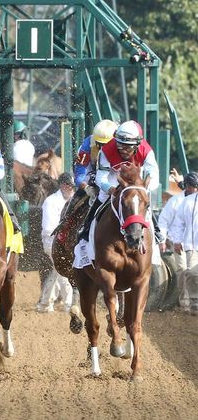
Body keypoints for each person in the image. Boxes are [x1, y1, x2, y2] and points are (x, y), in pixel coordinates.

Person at [78, 120, 160, 243]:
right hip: (113, 174)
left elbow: (154, 175)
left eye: (128, 147)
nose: (123, 150)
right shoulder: (106, 150)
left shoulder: (146, 151)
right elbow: (101, 177)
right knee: (102, 196)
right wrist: (109, 188)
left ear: (137, 145)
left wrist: (143, 189)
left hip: (135, 176)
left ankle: (157, 231)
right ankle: (86, 229)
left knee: (142, 200)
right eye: (120, 145)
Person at [37, 173, 76, 313]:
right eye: (69, 186)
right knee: (64, 270)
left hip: (68, 242)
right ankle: (68, 303)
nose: (71, 189)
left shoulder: (74, 200)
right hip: (51, 241)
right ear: (62, 185)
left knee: (57, 271)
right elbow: (48, 228)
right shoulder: (50, 201)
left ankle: (45, 303)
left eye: (72, 186)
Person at [166, 171, 198, 313]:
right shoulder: (186, 201)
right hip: (190, 244)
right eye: (193, 186)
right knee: (190, 272)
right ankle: (192, 302)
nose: (194, 189)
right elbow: (178, 223)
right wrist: (177, 240)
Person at [73, 119, 118, 189]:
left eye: (107, 145)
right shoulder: (86, 146)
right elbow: (80, 174)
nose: (103, 149)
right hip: (93, 176)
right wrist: (86, 187)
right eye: (100, 145)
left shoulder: (123, 147)